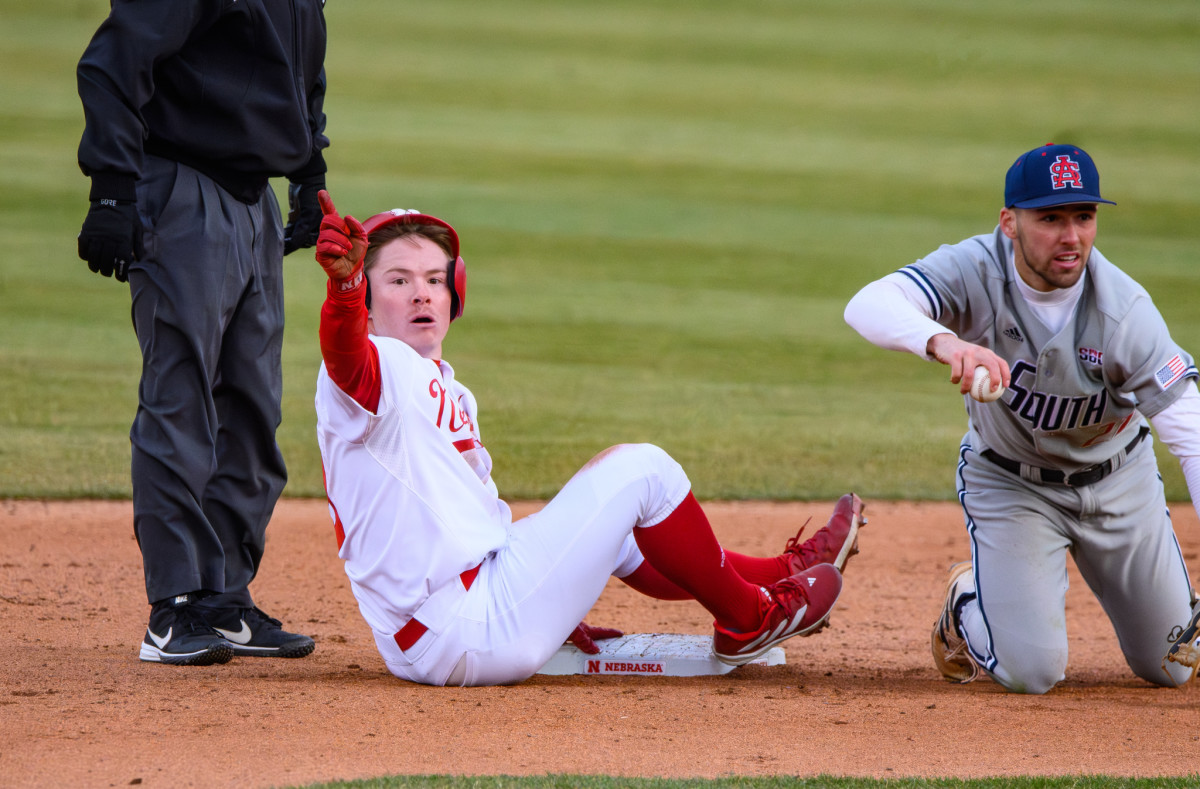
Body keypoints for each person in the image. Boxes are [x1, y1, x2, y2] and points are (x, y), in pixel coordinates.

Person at [311, 191, 868, 686]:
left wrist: (550, 604)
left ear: (454, 294)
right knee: (643, 470)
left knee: (622, 529)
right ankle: (751, 619)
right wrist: (343, 287)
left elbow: (465, 522)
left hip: (450, 623)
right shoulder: (370, 372)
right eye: (398, 280)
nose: (421, 295)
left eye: (434, 280)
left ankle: (779, 574)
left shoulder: (445, 388)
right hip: (461, 625)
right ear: (366, 299)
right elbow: (346, 355)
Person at [844, 143, 1200, 693]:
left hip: (1119, 485)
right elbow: (868, 303)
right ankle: (967, 601)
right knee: (1030, 673)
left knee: (1172, 666)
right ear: (1009, 222)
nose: (1071, 236)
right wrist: (942, 341)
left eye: (1084, 217)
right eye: (1051, 218)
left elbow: (1192, 436)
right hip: (1012, 484)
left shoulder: (1125, 313)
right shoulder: (974, 269)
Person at [75, 0, 329, 666]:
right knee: (181, 395)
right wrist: (111, 190)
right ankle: (177, 604)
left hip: (255, 203)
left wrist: (309, 176)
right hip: (182, 187)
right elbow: (112, 62)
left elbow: (298, 64)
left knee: (252, 406)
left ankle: (223, 595)